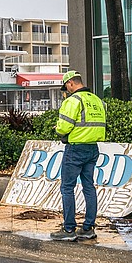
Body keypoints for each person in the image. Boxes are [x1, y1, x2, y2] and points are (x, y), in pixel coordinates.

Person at [51, 70, 107, 241]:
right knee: (88, 187)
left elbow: (64, 127)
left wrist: (57, 128)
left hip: (75, 149)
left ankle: (69, 230)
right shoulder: (97, 100)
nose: (66, 91)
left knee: (67, 188)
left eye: (66, 87)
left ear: (70, 83)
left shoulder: (73, 100)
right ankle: (88, 228)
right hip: (92, 148)